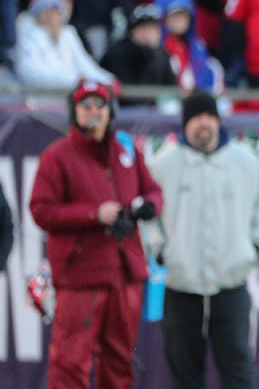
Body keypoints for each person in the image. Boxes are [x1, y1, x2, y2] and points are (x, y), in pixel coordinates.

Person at [29, 79, 162, 389]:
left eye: (99, 104)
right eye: (85, 104)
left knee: (118, 365)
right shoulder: (58, 156)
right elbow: (41, 210)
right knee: (70, 364)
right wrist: (93, 214)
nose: (93, 111)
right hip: (81, 276)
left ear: (110, 110)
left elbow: (154, 191)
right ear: (73, 111)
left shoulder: (125, 151)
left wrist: (147, 207)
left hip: (125, 273)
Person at [147, 90, 259, 389]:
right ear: (184, 124)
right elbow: (148, 215)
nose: (203, 124)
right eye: (196, 118)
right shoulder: (164, 165)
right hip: (181, 285)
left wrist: (253, 248)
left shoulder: (245, 163)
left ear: (218, 121)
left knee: (237, 368)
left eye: (209, 117)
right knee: (184, 372)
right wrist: (161, 251)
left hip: (230, 284)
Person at [15, 0, 115, 90]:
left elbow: (85, 64)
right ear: (37, 14)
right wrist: (73, 79)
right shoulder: (28, 35)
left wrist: (108, 80)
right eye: (45, 11)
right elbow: (30, 72)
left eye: (54, 10)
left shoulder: (68, 34)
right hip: (39, 99)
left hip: (68, 96)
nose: (50, 16)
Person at [100, 3, 177, 94]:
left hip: (155, 107)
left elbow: (172, 88)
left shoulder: (163, 54)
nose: (148, 35)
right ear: (132, 32)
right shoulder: (117, 54)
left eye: (153, 29)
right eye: (143, 29)